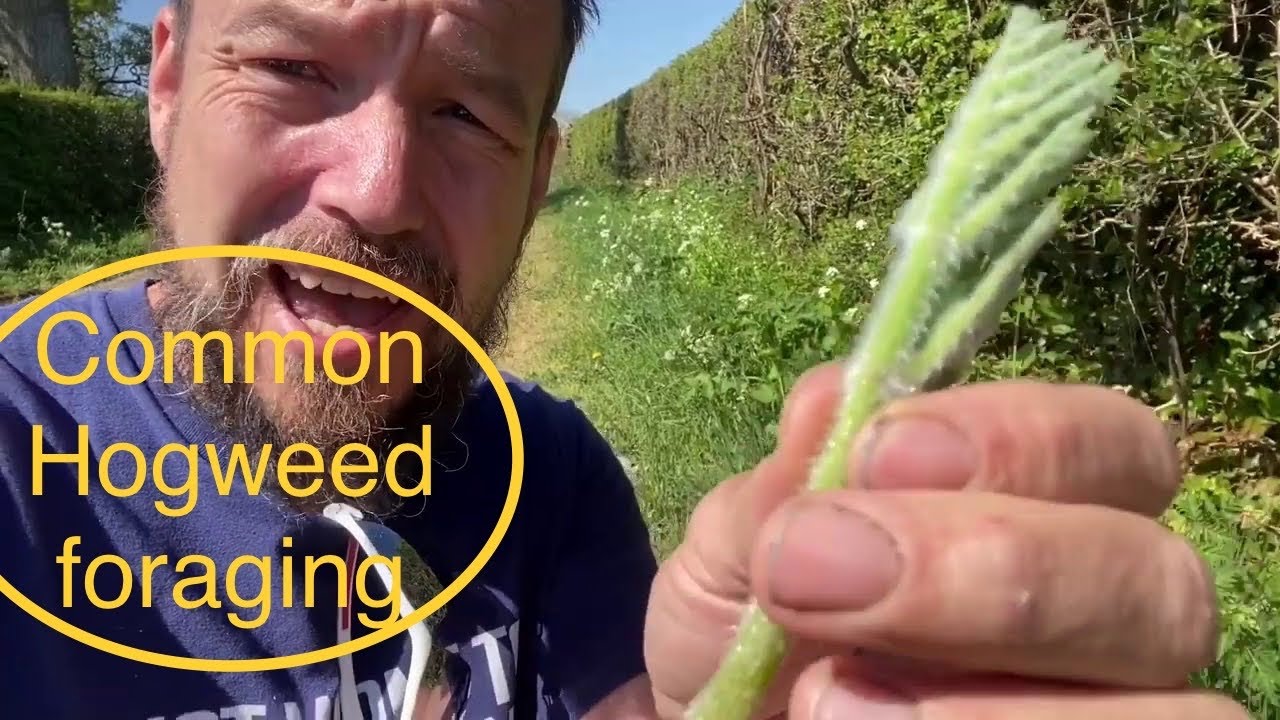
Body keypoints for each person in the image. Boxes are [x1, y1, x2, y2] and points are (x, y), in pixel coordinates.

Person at [0, 1, 1249, 719]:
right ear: (166, 85)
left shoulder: (551, 483)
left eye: (464, 113)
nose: (376, 192)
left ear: (540, 173)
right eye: (291, 70)